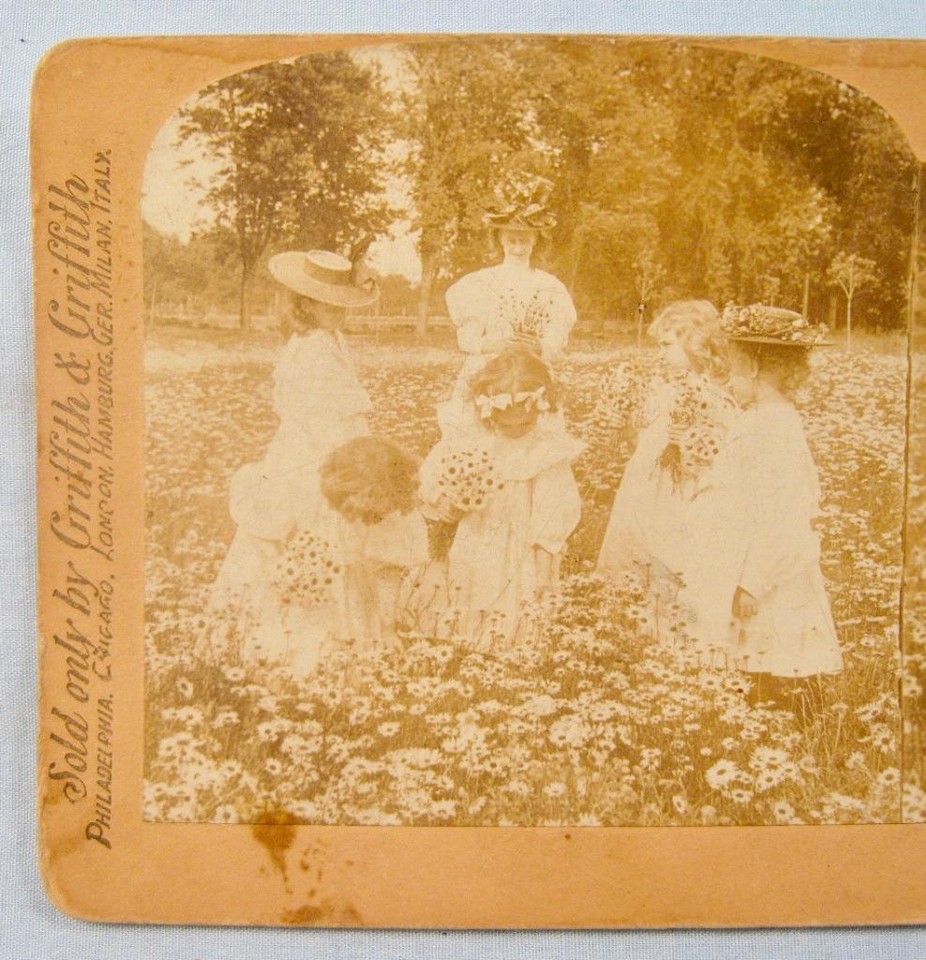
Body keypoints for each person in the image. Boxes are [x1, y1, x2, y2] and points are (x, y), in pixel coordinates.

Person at [203, 248, 378, 676]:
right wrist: (352, 461)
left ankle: (331, 644)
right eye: (326, 304)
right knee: (303, 542)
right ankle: (290, 645)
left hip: (331, 452)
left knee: (335, 545)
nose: (337, 312)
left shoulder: (331, 339)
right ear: (305, 304)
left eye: (341, 304)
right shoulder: (310, 349)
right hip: (311, 458)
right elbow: (318, 419)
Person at [680, 304, 843, 710]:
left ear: (753, 368)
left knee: (775, 656)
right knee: (749, 657)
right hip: (742, 560)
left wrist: (754, 580)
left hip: (767, 574)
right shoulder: (759, 419)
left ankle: (793, 722)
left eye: (732, 370)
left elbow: (784, 516)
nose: (727, 381)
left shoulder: (776, 428)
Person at [416, 347, 583, 652]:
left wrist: (545, 569)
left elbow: (553, 511)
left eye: (526, 424)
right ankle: (461, 639)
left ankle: (509, 645)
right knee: (468, 582)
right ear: (488, 411)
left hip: (521, 545)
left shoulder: (545, 453)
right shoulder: (470, 441)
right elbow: (430, 475)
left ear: (541, 409)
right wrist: (442, 499)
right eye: (507, 425)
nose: (517, 432)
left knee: (516, 594)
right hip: (472, 536)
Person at [596, 300, 736, 593]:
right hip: (645, 487)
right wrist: (624, 428)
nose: (660, 354)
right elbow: (646, 445)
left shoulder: (713, 396)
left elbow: (720, 457)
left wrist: (685, 442)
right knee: (634, 557)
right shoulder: (664, 389)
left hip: (682, 491)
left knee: (670, 565)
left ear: (695, 344)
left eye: (667, 345)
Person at [438, 174, 577, 442]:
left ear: (536, 241)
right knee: (481, 439)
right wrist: (498, 344)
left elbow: (557, 335)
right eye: (511, 240)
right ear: (500, 240)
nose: (517, 247)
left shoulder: (549, 286)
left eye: (524, 240)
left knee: (531, 437)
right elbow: (467, 340)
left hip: (531, 372)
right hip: (488, 372)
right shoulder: (479, 283)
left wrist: (539, 347)